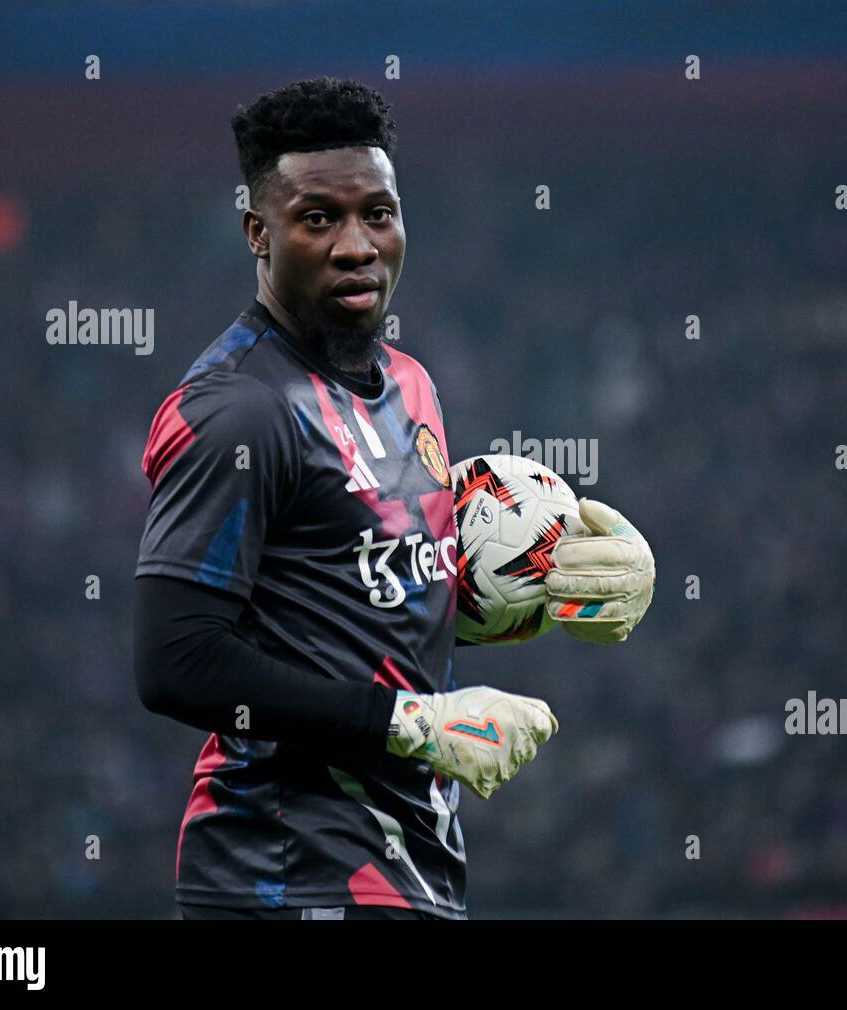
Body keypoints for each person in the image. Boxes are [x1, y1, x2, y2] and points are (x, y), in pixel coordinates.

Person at [133, 78, 655, 921]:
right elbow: (175, 663)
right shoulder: (237, 410)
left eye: (378, 213)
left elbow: (375, 597)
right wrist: (408, 721)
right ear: (257, 234)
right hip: (284, 873)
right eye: (317, 219)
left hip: (412, 866)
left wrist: (552, 584)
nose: (356, 245)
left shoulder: (411, 387)